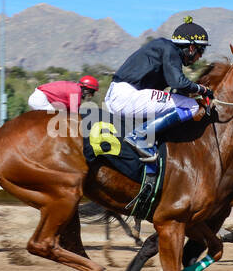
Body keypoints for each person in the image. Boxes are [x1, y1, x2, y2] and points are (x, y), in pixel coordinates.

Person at [105, 16, 213, 162]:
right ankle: (139, 135)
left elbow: (176, 89)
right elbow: (178, 83)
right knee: (192, 106)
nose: (200, 57)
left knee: (180, 102)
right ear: (192, 48)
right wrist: (203, 90)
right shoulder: (170, 50)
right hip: (125, 97)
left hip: (119, 95)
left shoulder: (166, 49)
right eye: (201, 51)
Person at [27, 75, 100, 113]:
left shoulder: (75, 87)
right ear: (86, 89)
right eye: (92, 92)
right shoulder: (76, 91)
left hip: (37, 97)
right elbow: (74, 114)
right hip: (40, 99)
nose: (91, 95)